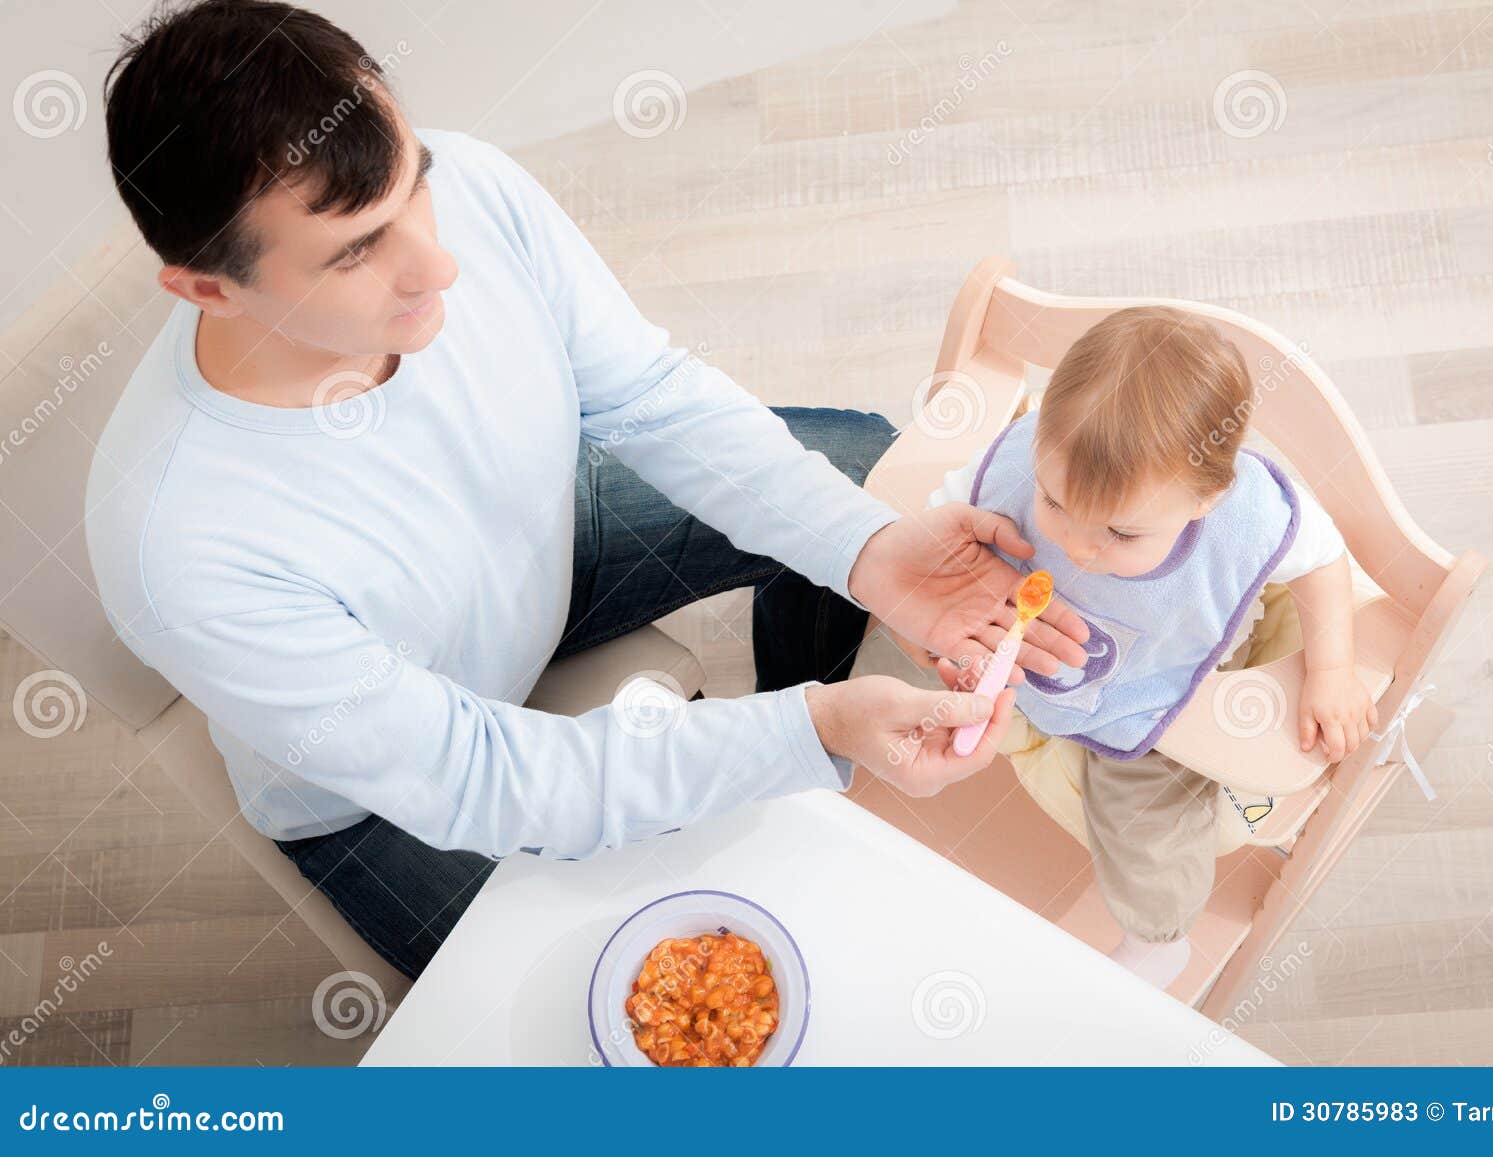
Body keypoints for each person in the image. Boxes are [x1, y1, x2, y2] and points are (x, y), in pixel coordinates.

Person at [85, 0, 1087, 978]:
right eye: (355, 250)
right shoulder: (180, 544)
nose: (437, 262)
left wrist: (868, 556)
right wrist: (810, 733)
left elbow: (649, 397)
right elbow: (478, 772)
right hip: (386, 797)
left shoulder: (469, 184)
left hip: (543, 543)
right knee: (614, 1010)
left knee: (859, 467)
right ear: (206, 288)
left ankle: (800, 743)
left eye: (413, 186)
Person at [930, 306, 1375, 990]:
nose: (1079, 545)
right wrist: (959, 590)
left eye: (1120, 532)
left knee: (1149, 823)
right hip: (1015, 634)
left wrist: (1333, 668)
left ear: (1208, 499)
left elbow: (1321, 563)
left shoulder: (1244, 518)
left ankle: (1157, 938)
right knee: (900, 663)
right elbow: (944, 516)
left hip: (1161, 677)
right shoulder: (1038, 451)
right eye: (1054, 503)